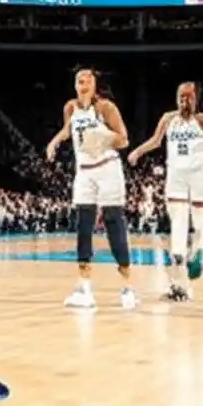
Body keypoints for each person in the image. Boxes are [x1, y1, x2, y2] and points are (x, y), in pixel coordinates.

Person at [128, 82, 203, 302]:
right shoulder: (168, 119)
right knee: (178, 224)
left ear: (196, 99)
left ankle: (199, 250)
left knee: (202, 223)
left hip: (201, 175)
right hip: (176, 176)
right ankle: (178, 283)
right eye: (181, 97)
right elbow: (155, 141)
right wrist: (137, 152)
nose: (185, 101)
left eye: (189, 97)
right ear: (176, 99)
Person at [45, 68, 136, 311]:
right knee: (83, 225)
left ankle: (127, 286)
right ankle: (85, 289)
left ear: (95, 85)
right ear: (75, 85)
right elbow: (68, 129)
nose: (83, 84)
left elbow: (124, 139)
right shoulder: (70, 107)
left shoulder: (106, 108)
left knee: (113, 221)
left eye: (87, 81)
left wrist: (103, 136)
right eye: (79, 81)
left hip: (108, 168)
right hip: (84, 171)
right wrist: (54, 142)